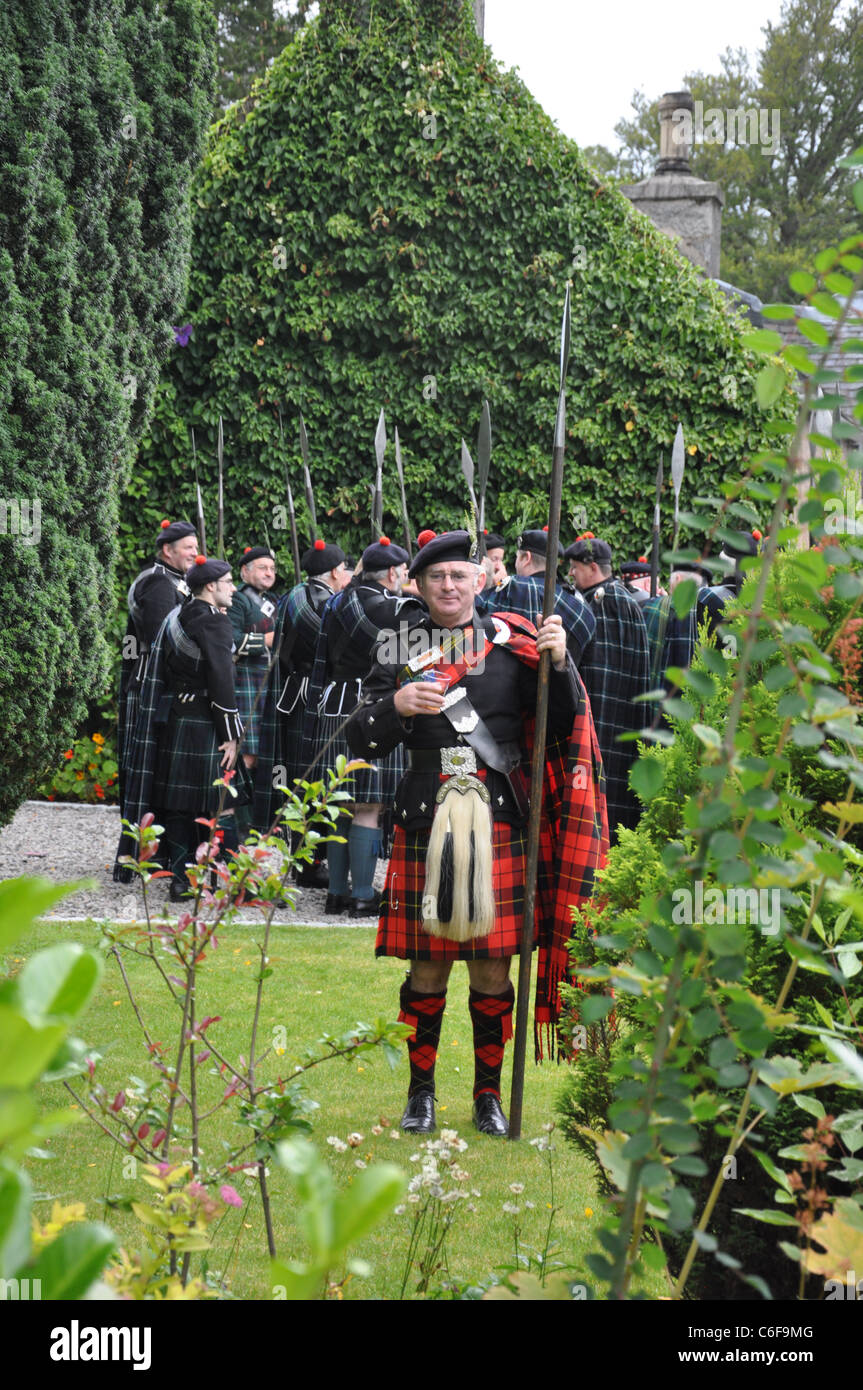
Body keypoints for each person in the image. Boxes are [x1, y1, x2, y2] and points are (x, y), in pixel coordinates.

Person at [347, 530, 607, 1137]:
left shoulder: (516, 640)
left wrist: (561, 661)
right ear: (417, 584)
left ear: (481, 580)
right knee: (428, 969)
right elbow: (362, 735)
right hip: (424, 818)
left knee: (493, 968)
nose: (448, 586)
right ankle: (421, 1094)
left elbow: (563, 721)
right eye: (435, 577)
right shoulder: (397, 647)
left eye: (459, 576)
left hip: (498, 818)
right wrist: (398, 706)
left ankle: (488, 1096)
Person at [114, 556, 249, 898]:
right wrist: (232, 734)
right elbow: (222, 681)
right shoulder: (216, 624)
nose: (233, 588)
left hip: (175, 718)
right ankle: (222, 882)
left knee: (178, 804)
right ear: (210, 586)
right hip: (205, 721)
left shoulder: (177, 616)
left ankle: (180, 881)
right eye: (229, 581)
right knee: (215, 802)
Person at [303, 536, 424, 916]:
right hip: (372, 707)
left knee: (340, 803)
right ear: (392, 573)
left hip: (332, 706)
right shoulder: (396, 609)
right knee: (369, 808)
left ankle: (337, 892)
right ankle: (363, 896)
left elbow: (318, 661)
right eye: (404, 572)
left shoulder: (336, 600)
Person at [270, 537, 352, 888]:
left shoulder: (292, 595)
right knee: (311, 779)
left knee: (302, 777)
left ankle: (305, 857)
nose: (347, 573)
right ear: (334, 571)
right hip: (311, 697)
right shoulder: (318, 602)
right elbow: (336, 649)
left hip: (297, 693)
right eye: (346, 568)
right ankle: (309, 862)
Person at [564, 534, 650, 844]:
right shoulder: (621, 597)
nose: (571, 573)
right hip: (623, 729)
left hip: (604, 731)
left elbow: (601, 679)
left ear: (591, 567)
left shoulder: (605, 602)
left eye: (575, 567)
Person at [118, 519, 198, 815]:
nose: (195, 553)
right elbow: (164, 641)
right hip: (154, 686)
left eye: (196, 547)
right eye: (189, 547)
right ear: (168, 550)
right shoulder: (157, 582)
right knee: (149, 769)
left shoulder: (175, 579)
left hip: (164, 686)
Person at [483, 527, 596, 663]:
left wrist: (485, 581)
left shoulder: (513, 588)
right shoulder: (580, 603)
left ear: (526, 558)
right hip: (562, 680)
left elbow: (473, 612)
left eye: (518, 557)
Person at [229, 545, 279, 833]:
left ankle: (256, 828)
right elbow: (231, 641)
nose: (269, 573)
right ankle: (237, 831)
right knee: (245, 757)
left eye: (272, 568)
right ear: (245, 571)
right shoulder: (237, 600)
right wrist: (268, 640)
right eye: (263, 568)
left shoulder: (271, 599)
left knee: (260, 756)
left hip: (267, 685)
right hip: (245, 682)